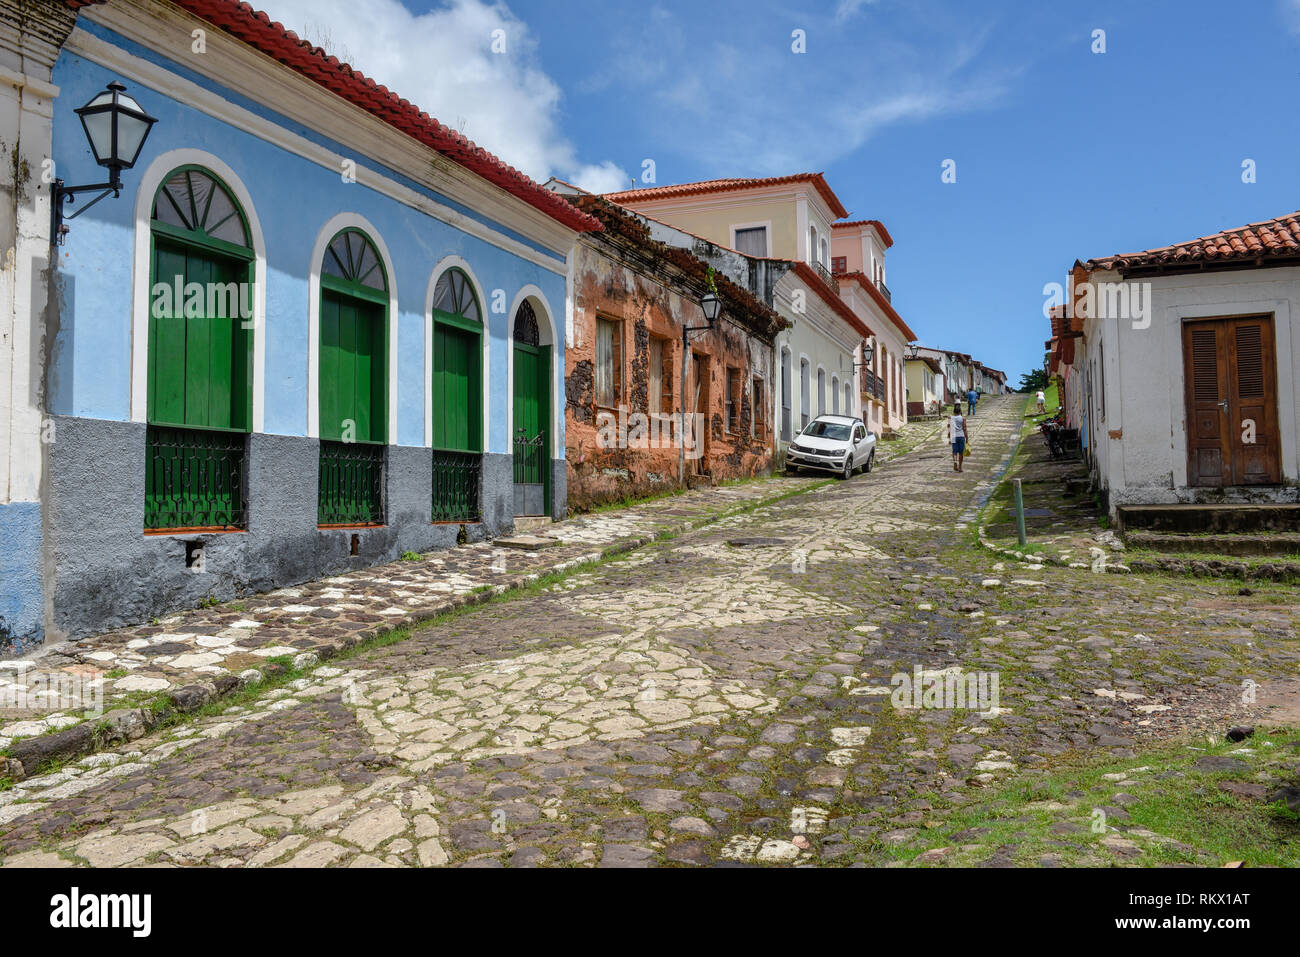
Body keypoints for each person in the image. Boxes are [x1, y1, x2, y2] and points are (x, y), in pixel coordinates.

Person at [949, 403, 967, 472]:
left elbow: (950, 428)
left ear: (954, 412)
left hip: (954, 436)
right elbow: (964, 428)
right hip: (961, 436)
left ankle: (955, 462)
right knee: (961, 452)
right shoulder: (963, 418)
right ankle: (960, 467)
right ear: (960, 411)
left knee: (954, 452)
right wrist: (967, 438)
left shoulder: (951, 418)